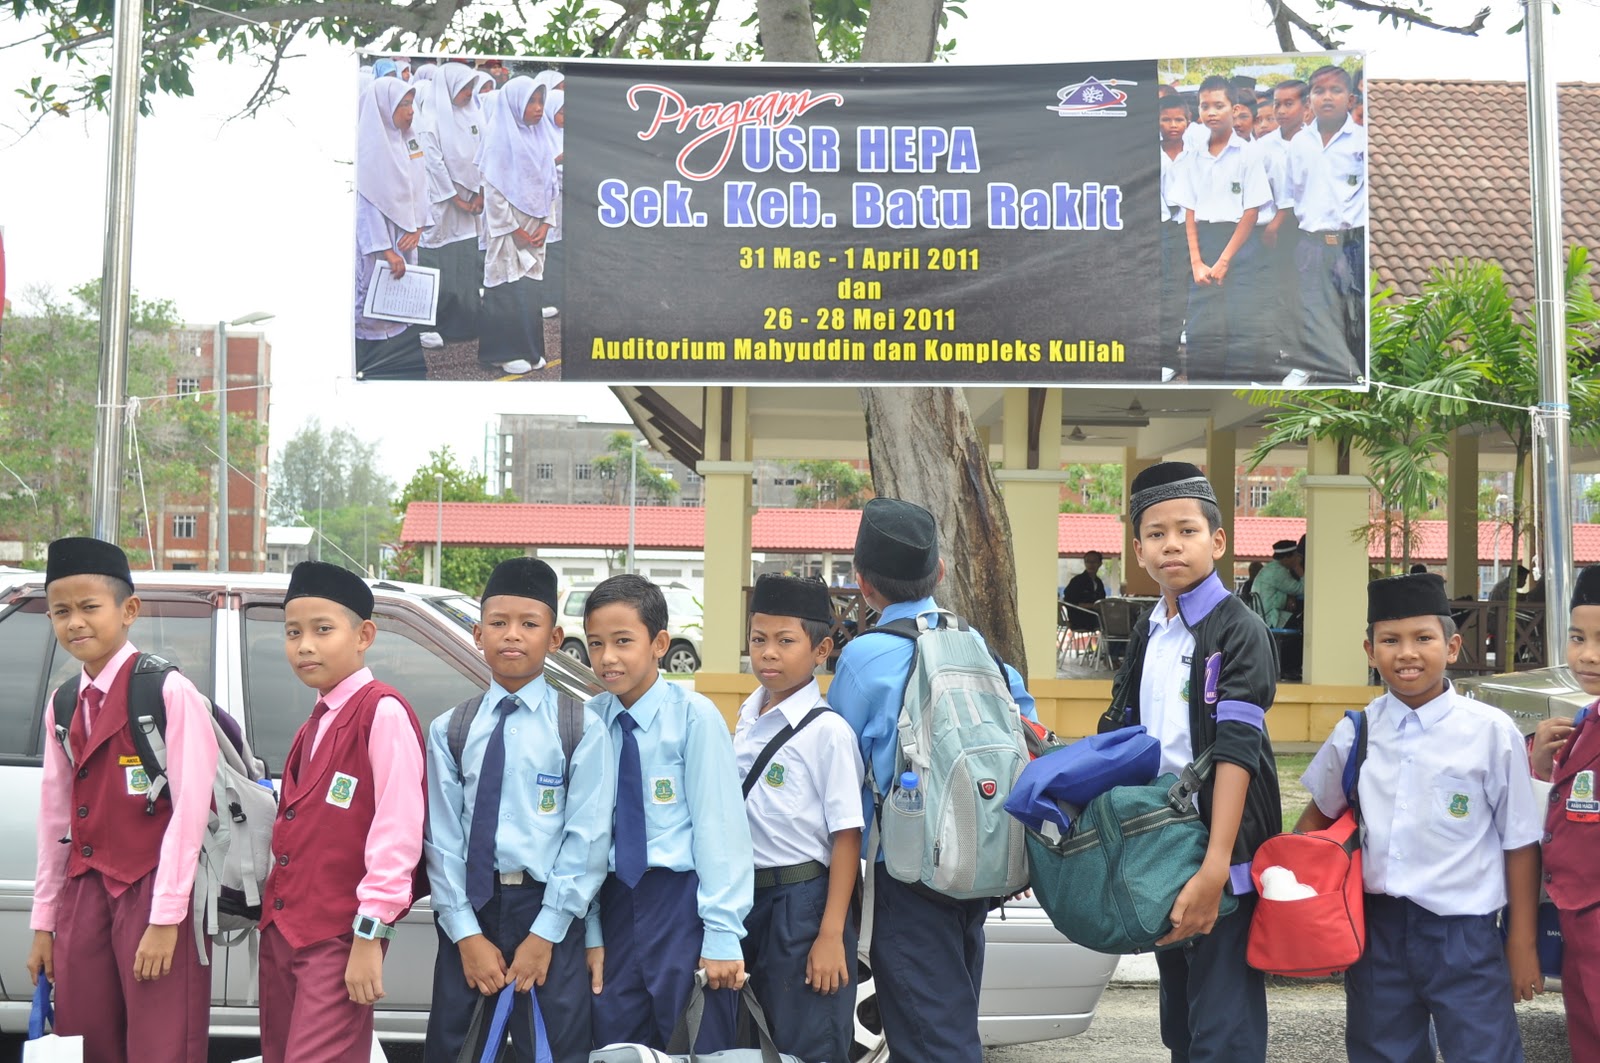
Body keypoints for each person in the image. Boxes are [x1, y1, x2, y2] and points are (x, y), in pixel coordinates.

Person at [1297, 573, 1543, 1062]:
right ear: (1370, 651)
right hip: (1377, 933)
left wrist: (1521, 943)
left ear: (1451, 646)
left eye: (1423, 638)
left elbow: (1520, 843)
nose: (1406, 653)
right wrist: (1307, 911)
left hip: (1465, 936)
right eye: (1390, 640)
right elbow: (1313, 826)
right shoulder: (1356, 734)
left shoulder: (1491, 733)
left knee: (1484, 1052)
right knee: (1382, 1051)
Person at [828, 497, 1038, 1063]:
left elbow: (836, 768)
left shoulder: (864, 659)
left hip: (910, 873)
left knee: (932, 1042)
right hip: (979, 869)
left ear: (861, 582)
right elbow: (1027, 741)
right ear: (939, 573)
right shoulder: (983, 651)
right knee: (949, 1018)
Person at [1102, 462, 1281, 1062]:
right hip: (1161, 848)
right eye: (1155, 534)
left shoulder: (1240, 628)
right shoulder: (1151, 631)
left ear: (1218, 541)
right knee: (1180, 1025)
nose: (1171, 544)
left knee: (1223, 1031)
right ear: (1138, 549)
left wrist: (1214, 868)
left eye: (1186, 530)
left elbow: (1237, 752)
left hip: (1219, 853)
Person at [24, 537, 219, 1063]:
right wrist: (45, 923)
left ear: (128, 610)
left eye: (89, 607)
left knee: (162, 1045)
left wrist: (165, 920)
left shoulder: (168, 692)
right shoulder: (64, 704)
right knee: (85, 1041)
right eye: (60, 611)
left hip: (155, 892)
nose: (75, 623)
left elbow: (190, 813)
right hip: (84, 896)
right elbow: (54, 820)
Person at [423, 558, 614, 1063]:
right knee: (454, 1047)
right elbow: (441, 842)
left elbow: (588, 841)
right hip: (472, 908)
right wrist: (465, 934)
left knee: (555, 1050)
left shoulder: (580, 728)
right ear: (476, 633)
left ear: (554, 639)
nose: (512, 635)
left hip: (548, 911)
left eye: (529, 624)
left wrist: (545, 935)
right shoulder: (450, 730)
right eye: (498, 623)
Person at [258, 561, 427, 1063]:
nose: (304, 645)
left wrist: (370, 937)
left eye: (322, 629)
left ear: (364, 635)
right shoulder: (314, 722)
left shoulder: (382, 712)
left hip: (338, 938)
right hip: (285, 935)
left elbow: (397, 835)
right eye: (293, 632)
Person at [586, 575, 753, 1053]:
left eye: (623, 641)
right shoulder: (589, 721)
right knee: (617, 1043)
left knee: (698, 1039)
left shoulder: (694, 718)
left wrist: (722, 934)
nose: (607, 658)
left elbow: (719, 831)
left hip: (682, 906)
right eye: (596, 644)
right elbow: (585, 838)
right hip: (614, 903)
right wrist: (592, 928)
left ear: (660, 643)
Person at [734, 575, 864, 1063]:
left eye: (785, 641)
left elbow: (847, 838)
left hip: (802, 904)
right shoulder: (746, 718)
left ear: (821, 649)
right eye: (758, 639)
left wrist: (831, 934)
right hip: (748, 901)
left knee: (806, 1040)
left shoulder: (828, 733)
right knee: (750, 1042)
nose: (768, 653)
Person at [1530, 564, 1600, 1060]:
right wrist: (1540, 768)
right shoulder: (1585, 720)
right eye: (1578, 637)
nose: (1588, 655)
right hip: (1579, 920)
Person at [1176, 75, 1272, 383]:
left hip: (1240, 247)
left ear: (1235, 108)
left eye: (1219, 105)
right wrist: (1196, 261)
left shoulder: (1248, 153)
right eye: (1205, 106)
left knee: (1240, 322)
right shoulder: (1192, 156)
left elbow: (1251, 210)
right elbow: (1188, 210)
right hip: (1202, 246)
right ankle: (1203, 386)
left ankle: (1238, 389)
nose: (1211, 112)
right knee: (1202, 326)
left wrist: (1225, 260)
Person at [1284, 65, 1367, 385]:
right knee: (1311, 304)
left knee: (1353, 307)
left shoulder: (1362, 141)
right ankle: (1309, 365)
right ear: (1310, 99)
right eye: (1319, 91)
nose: (1327, 97)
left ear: (1350, 98)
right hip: (1311, 239)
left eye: (1335, 90)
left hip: (1351, 240)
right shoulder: (1299, 143)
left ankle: (1354, 370)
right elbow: (1293, 193)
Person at [476, 76, 558, 376]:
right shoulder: (499, 141)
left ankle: (530, 349)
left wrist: (547, 224)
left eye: (541, 101)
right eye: (531, 102)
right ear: (514, 104)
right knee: (507, 286)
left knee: (530, 289)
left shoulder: (540, 138)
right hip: (508, 233)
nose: (538, 109)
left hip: (535, 230)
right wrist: (515, 230)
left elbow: (551, 188)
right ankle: (503, 352)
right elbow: (494, 193)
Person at [354, 76, 428, 380]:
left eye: (411, 103)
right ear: (385, 108)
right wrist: (386, 251)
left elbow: (422, 187)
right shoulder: (369, 150)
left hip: (406, 240)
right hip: (382, 249)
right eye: (404, 104)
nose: (410, 111)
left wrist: (419, 227)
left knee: (402, 309)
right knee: (375, 302)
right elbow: (366, 207)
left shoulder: (408, 141)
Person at [417, 64, 489, 349]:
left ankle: (465, 322)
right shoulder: (430, 120)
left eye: (472, 87)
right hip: (443, 202)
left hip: (472, 202)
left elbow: (485, 153)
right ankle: (430, 324)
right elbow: (433, 165)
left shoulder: (474, 114)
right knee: (438, 259)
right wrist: (456, 198)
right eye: (464, 87)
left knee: (464, 260)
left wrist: (480, 193)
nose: (469, 93)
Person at [1158, 94, 1192, 368]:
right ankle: (1160, 355)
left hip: (1186, 229)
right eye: (1166, 119)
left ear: (1188, 121)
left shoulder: (1196, 154)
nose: (1172, 124)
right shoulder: (1147, 153)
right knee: (1159, 293)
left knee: (1177, 294)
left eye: (1178, 119)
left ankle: (1171, 356)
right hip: (1155, 230)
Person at [539, 87, 566, 321]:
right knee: (549, 247)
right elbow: (535, 167)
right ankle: (547, 297)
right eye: (562, 112)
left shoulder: (563, 133)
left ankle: (560, 294)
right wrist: (559, 159)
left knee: (561, 247)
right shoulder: (540, 134)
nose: (566, 118)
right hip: (548, 200)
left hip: (565, 200)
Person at [1253, 539, 1305, 628]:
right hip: (1270, 617)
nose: (1298, 559)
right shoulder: (1278, 572)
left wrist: (1289, 596)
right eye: (1296, 557)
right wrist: (1298, 568)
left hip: (1261, 615)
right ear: (1286, 558)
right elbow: (1303, 590)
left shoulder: (1271, 568)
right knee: (1303, 621)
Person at [1063, 550, 1110, 632]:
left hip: (1095, 617)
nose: (1091, 565)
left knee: (1117, 621)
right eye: (1088, 562)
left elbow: (1102, 601)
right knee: (1112, 624)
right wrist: (1091, 606)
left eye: (1094, 562)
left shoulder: (1098, 582)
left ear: (1100, 564)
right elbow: (1070, 601)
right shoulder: (1077, 581)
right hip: (1080, 619)